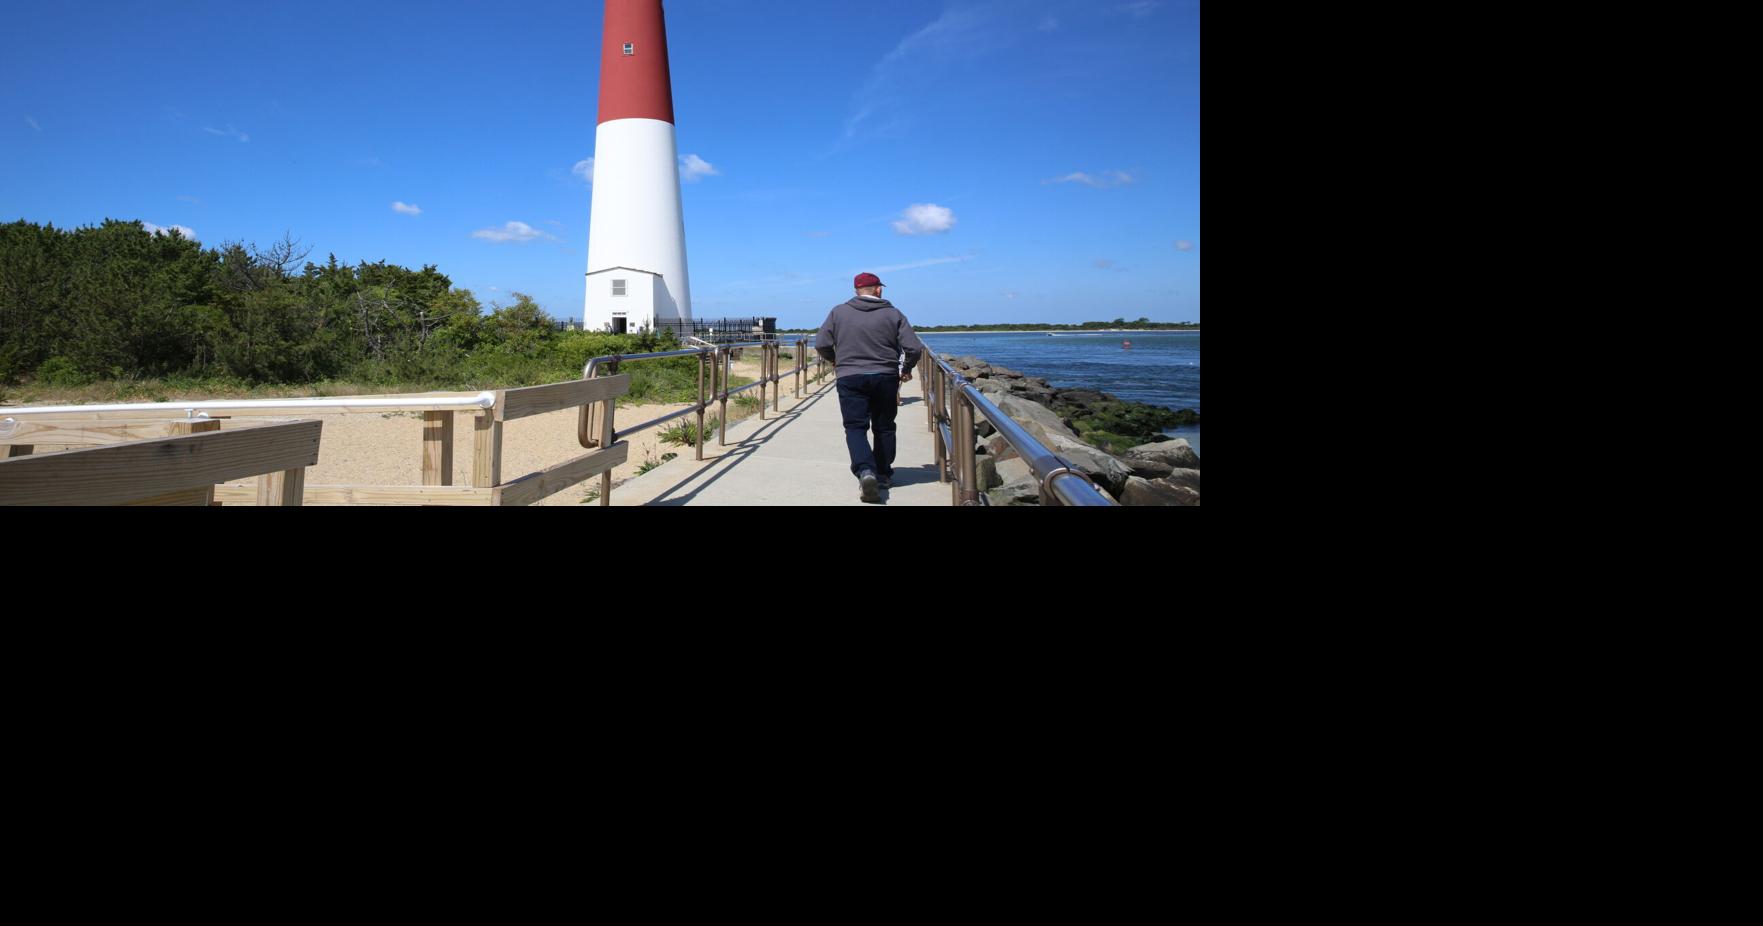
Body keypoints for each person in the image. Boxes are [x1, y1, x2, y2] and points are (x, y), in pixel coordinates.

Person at [816, 272, 926, 503]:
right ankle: (883, 474)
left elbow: (821, 343)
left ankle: (866, 471)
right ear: (878, 289)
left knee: (855, 427)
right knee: (884, 426)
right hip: (885, 376)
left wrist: (835, 360)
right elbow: (914, 348)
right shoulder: (893, 314)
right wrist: (906, 369)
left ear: (857, 290)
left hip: (850, 376)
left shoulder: (838, 312)